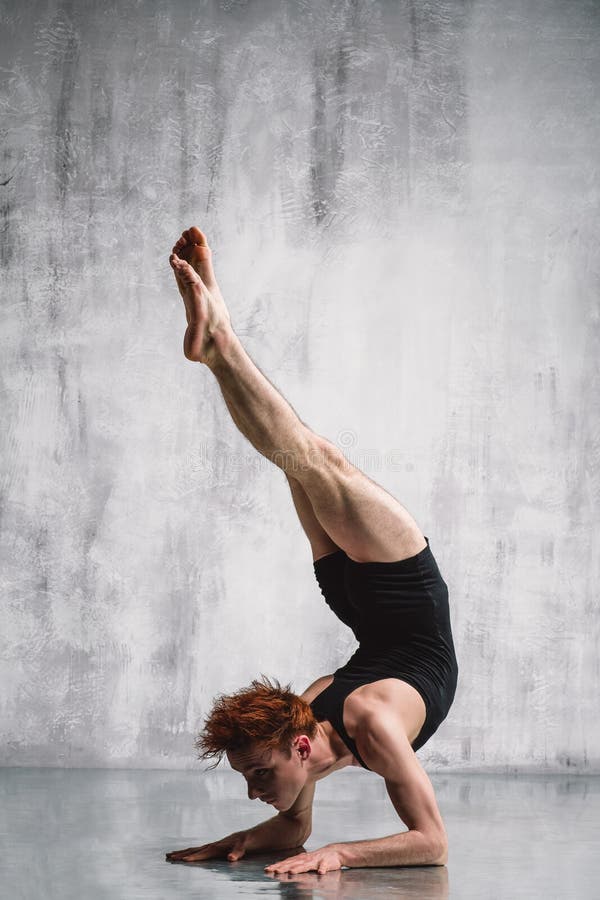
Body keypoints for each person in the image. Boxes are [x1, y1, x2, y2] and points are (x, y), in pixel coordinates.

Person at [165, 227, 459, 875]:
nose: (255, 790)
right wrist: (241, 839)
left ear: (298, 747)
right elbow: (296, 830)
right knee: (303, 456)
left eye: (258, 777)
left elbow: (432, 843)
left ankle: (219, 340)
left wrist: (339, 853)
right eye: (252, 780)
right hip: (395, 606)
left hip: (384, 595)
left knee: (304, 459)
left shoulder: (337, 722)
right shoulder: (348, 732)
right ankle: (217, 340)